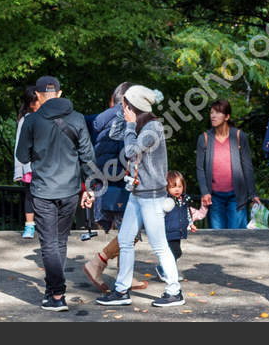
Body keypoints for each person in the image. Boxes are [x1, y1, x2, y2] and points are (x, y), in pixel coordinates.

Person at [14, 73, 102, 312]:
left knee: (49, 244)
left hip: (43, 190)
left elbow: (22, 156)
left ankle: (56, 294)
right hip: (71, 190)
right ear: (60, 94)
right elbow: (88, 157)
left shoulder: (32, 121)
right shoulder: (77, 118)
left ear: (39, 96)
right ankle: (51, 290)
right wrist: (90, 188)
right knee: (60, 241)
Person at [97, 86, 185, 309]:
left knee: (159, 245)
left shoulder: (152, 128)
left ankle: (174, 291)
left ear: (134, 107)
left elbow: (130, 151)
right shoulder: (139, 124)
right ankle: (121, 290)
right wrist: (123, 118)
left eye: (126, 104)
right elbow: (114, 134)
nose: (123, 108)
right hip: (137, 193)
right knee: (125, 240)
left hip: (151, 196)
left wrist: (128, 123)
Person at [83, 82, 152, 292]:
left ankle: (126, 276)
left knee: (128, 231)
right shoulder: (124, 118)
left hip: (101, 182)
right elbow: (128, 153)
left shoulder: (96, 120)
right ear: (127, 100)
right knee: (131, 232)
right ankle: (97, 263)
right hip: (120, 183)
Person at [196, 98, 258, 229]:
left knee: (237, 237)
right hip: (214, 198)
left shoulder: (239, 136)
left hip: (237, 197)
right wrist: (204, 192)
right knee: (218, 238)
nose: (213, 116)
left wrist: (253, 194)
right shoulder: (205, 138)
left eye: (218, 112)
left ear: (227, 116)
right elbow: (200, 168)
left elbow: (247, 167)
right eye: (211, 112)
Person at [13, 85, 39, 239]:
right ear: (31, 103)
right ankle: (29, 226)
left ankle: (41, 226)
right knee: (30, 195)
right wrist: (18, 170)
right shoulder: (25, 120)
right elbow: (19, 145)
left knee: (41, 197)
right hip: (29, 165)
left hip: (43, 165)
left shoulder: (44, 117)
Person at [163, 170, 192, 261]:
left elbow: (186, 212)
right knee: (176, 253)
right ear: (167, 187)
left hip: (178, 231)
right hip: (169, 232)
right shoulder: (166, 201)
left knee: (173, 254)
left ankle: (170, 274)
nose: (177, 189)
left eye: (180, 186)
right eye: (173, 187)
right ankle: (162, 269)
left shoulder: (183, 199)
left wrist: (190, 224)